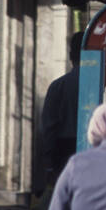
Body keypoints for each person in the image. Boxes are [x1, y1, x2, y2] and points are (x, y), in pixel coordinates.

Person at [40, 30, 83, 186]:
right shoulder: (105, 86)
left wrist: (48, 164)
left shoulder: (58, 86)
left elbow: (49, 127)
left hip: (64, 151)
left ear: (71, 56)